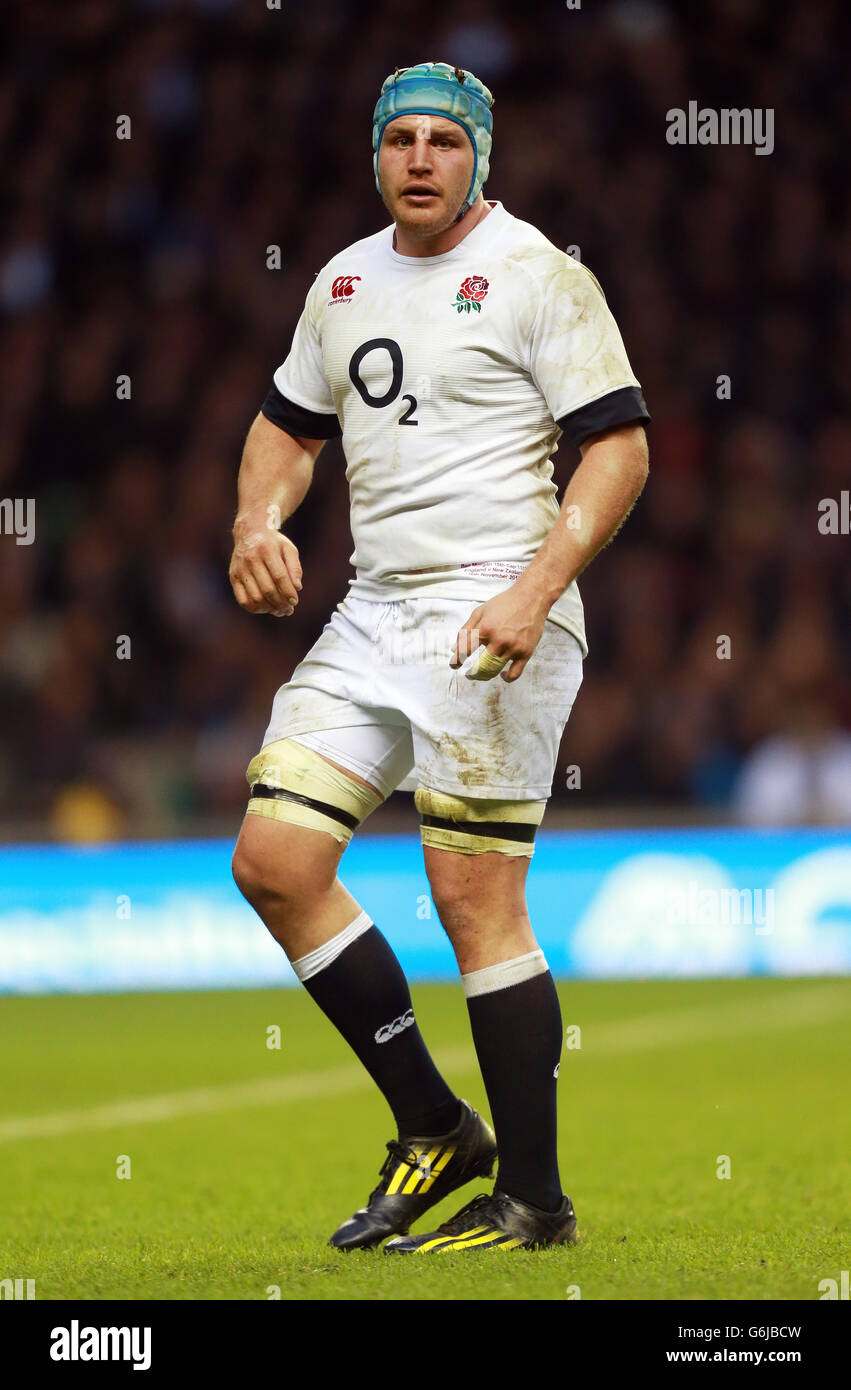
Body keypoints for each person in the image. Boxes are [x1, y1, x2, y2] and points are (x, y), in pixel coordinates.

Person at [229, 61, 649, 1254]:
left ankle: (534, 1202)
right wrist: (258, 522)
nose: (419, 158)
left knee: (473, 899)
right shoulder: (343, 280)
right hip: (374, 609)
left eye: (443, 142)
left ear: (480, 157)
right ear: (374, 155)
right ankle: (434, 1125)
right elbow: (285, 427)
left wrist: (536, 587)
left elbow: (616, 450)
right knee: (273, 860)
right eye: (399, 139)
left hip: (496, 612)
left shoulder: (538, 277)